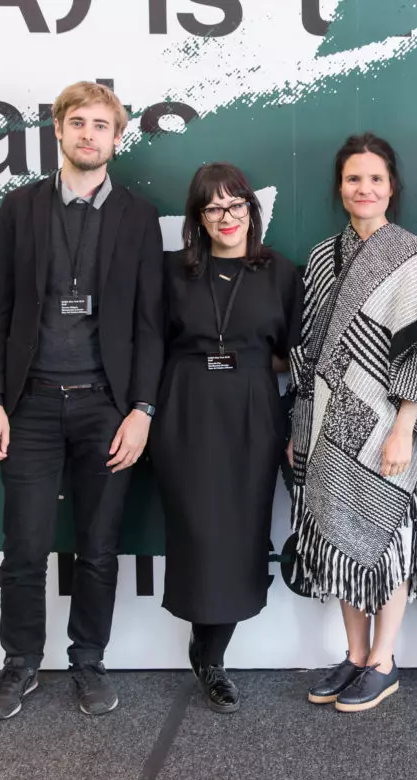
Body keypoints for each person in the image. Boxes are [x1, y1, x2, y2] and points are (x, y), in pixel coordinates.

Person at [0, 81, 164, 720]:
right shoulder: (20, 208)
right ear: (58, 129)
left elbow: (148, 322)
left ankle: (88, 661)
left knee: (99, 546)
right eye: (77, 122)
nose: (88, 134)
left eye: (101, 125)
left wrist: (141, 410)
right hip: (27, 405)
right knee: (25, 545)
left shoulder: (137, 216)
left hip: (105, 408)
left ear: (118, 137)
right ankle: (20, 665)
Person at [287, 133, 417, 713]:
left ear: (391, 187)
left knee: (387, 543)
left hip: (389, 426)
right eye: (352, 179)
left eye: (375, 179)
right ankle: (355, 653)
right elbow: (309, 349)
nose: (363, 189)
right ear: (339, 188)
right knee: (337, 538)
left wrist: (402, 427)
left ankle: (384, 661)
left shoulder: (409, 254)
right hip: (325, 423)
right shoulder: (322, 257)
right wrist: (300, 428)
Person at [150, 163, 301, 713]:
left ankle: (212, 656)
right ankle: (204, 647)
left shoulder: (281, 272)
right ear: (197, 217)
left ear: (252, 212)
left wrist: (249, 361)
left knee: (240, 534)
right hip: (185, 413)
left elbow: (297, 353)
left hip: (252, 414)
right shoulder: (172, 273)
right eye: (213, 208)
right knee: (200, 533)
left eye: (237, 206)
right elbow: (148, 345)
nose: (226, 218)